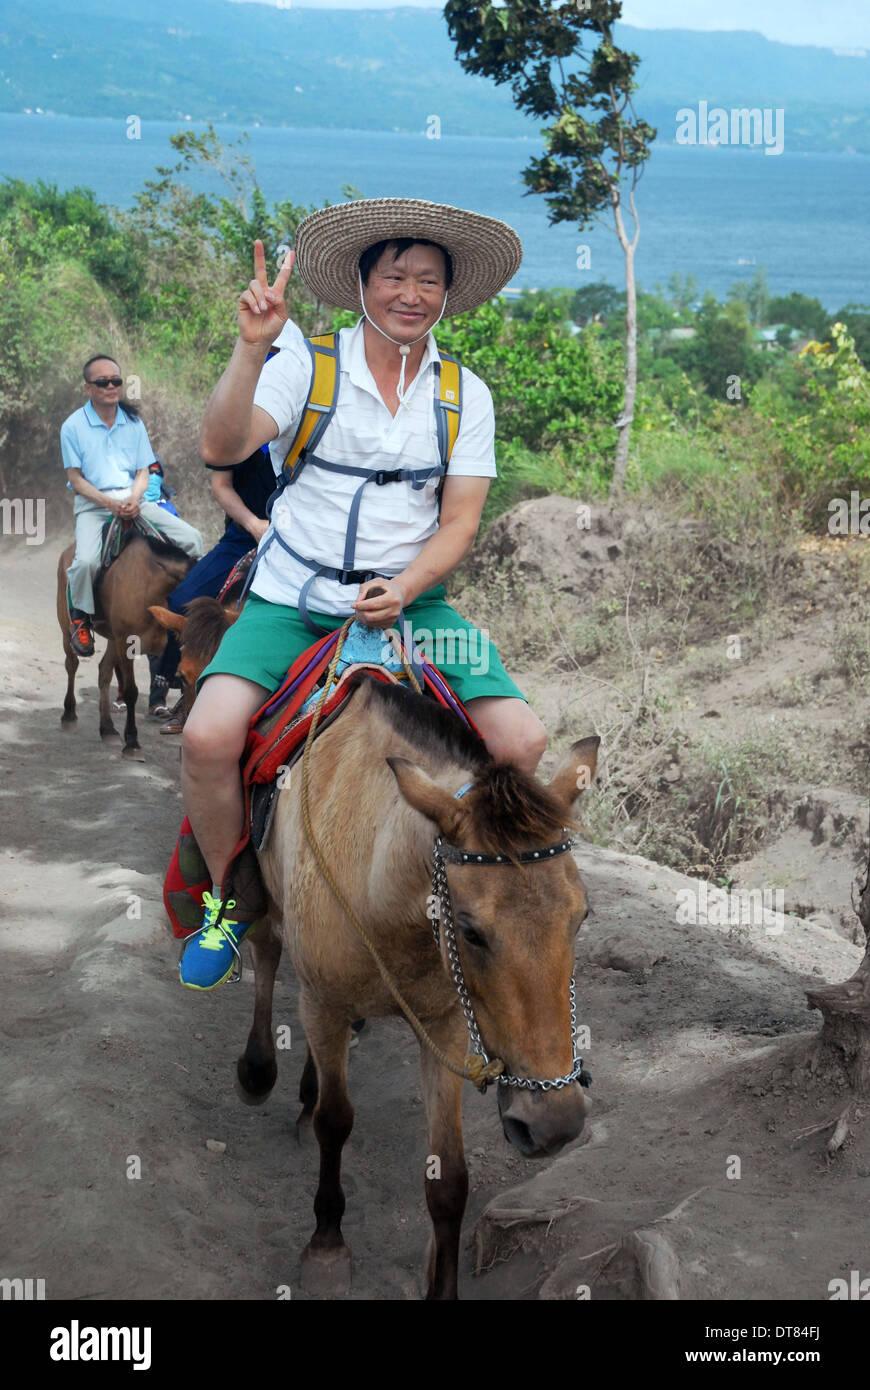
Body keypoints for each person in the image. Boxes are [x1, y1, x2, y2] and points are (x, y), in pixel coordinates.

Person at [179, 198, 543, 991]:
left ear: (448, 294)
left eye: (428, 281)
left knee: (523, 744)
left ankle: (489, 900)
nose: (410, 294)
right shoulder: (307, 364)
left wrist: (406, 586)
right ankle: (228, 895)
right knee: (207, 738)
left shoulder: (462, 394)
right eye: (394, 276)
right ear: (361, 282)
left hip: (414, 606)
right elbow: (221, 444)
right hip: (291, 599)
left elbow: (461, 521)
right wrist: (249, 349)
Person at [62, 356, 203, 657]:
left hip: (135, 501)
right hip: (94, 505)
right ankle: (81, 619)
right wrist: (109, 503)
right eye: (103, 382)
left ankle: (192, 613)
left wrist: (134, 499)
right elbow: (75, 479)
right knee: (85, 561)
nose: (111, 386)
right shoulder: (73, 426)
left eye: (116, 381)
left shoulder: (134, 423)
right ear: (88, 388)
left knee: (194, 539)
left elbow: (144, 471)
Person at [149, 442, 277, 728]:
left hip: (297, 539)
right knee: (183, 598)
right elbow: (221, 486)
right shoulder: (239, 429)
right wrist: (254, 525)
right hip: (243, 534)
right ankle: (182, 689)